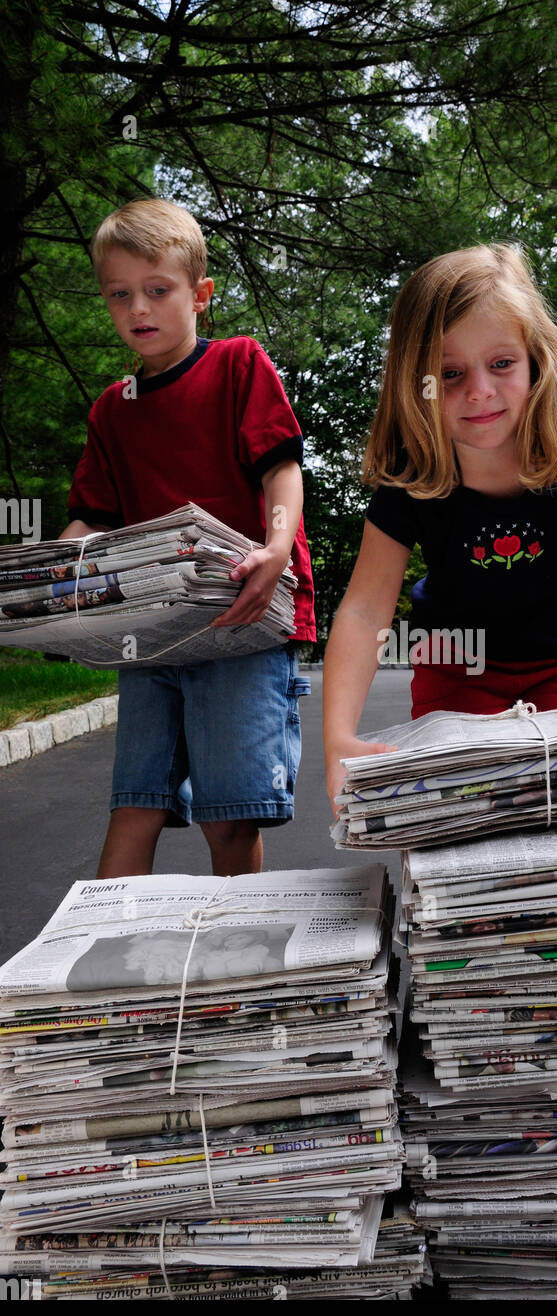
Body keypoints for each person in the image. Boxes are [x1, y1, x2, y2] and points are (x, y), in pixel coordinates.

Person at [323, 243, 557, 813]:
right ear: (414, 382)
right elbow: (363, 611)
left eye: (501, 364)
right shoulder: (411, 472)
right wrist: (337, 741)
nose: (479, 390)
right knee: (468, 807)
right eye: (450, 373)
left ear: (536, 360)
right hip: (455, 664)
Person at [60, 198, 316, 876]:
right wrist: (53, 572)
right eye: (120, 295)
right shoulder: (112, 410)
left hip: (242, 620)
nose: (138, 309)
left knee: (229, 821)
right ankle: (109, 975)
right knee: (134, 804)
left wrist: (278, 547)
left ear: (199, 295)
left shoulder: (237, 365)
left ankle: (234, 985)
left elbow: (281, 472)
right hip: (149, 634)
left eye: (157, 290)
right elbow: (91, 518)